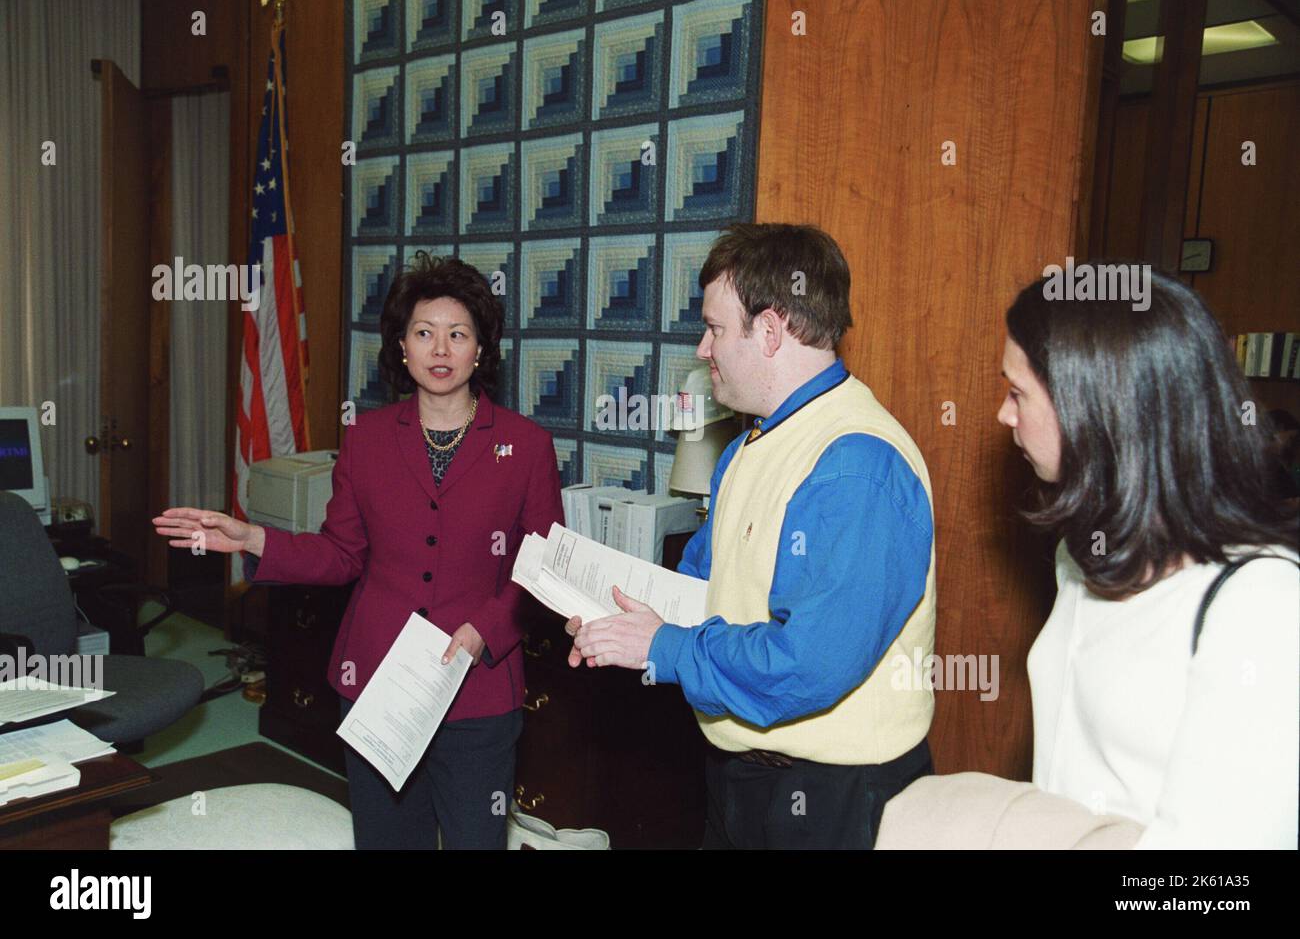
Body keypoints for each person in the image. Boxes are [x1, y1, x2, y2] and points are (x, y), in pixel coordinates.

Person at [153, 254, 564, 849]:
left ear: (481, 349)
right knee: (387, 839)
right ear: (401, 347)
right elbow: (341, 554)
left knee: (477, 838)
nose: (441, 349)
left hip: (478, 684)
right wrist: (254, 538)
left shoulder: (525, 447)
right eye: (424, 333)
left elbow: (542, 568)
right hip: (377, 681)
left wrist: (485, 629)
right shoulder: (367, 440)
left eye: (458, 334)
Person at [566, 223, 938, 849]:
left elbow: (808, 665)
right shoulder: (746, 444)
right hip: (740, 778)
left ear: (770, 331)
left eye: (714, 328)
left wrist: (666, 649)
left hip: (834, 798)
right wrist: (617, 619)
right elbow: (704, 584)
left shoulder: (857, 466)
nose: (703, 349)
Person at [997, 268, 1299, 848]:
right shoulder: (1081, 558)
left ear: (1098, 405)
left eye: (1017, 393)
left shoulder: (1259, 604)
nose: (1004, 416)